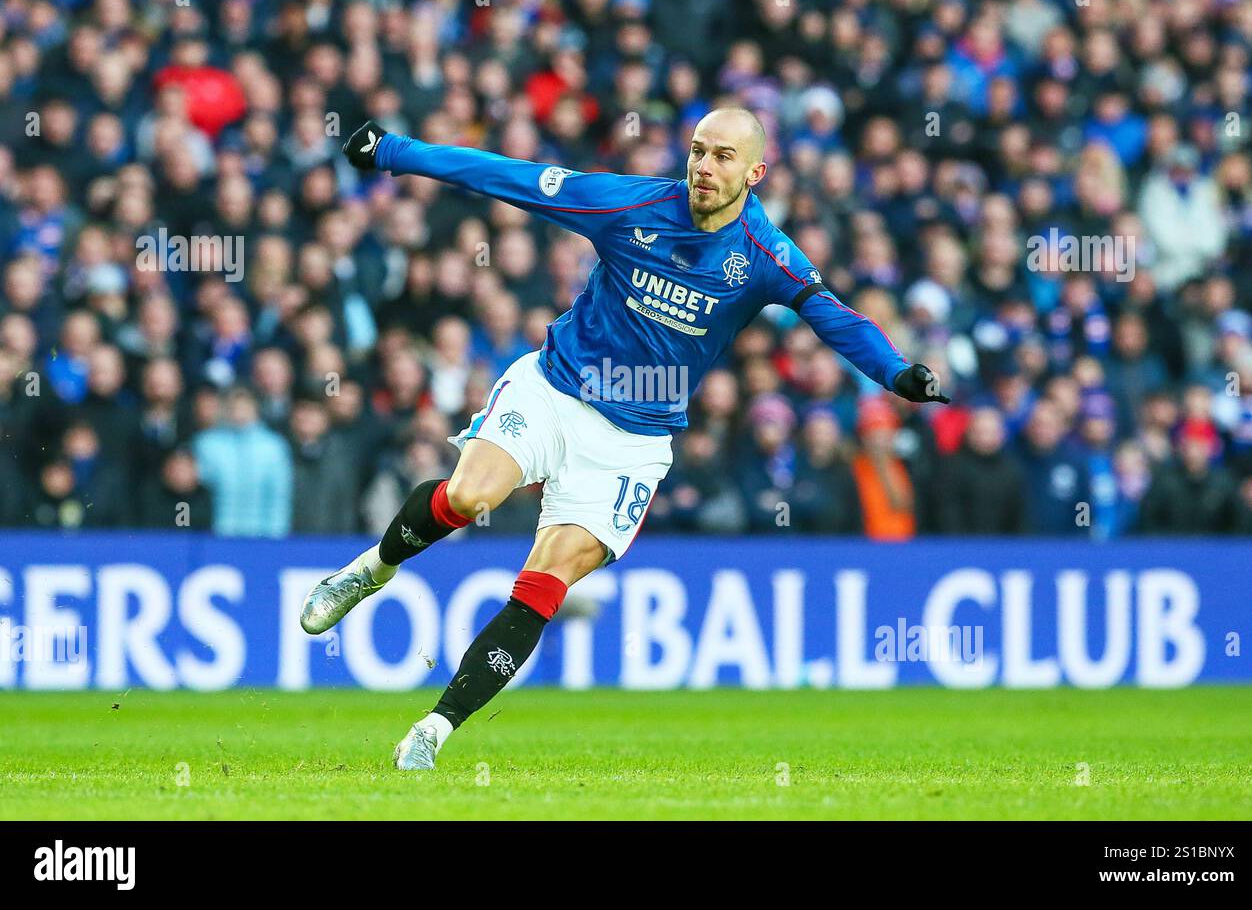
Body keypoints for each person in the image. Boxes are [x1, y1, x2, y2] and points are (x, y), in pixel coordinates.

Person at [300, 109, 950, 770]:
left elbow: (834, 317)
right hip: (555, 388)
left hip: (633, 442)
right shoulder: (631, 204)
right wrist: (394, 151)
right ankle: (370, 572)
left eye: (724, 156)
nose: (703, 166)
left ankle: (434, 731)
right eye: (698, 151)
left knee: (546, 580)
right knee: (469, 497)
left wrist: (898, 373)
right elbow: (511, 177)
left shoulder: (766, 255)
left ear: (755, 173)